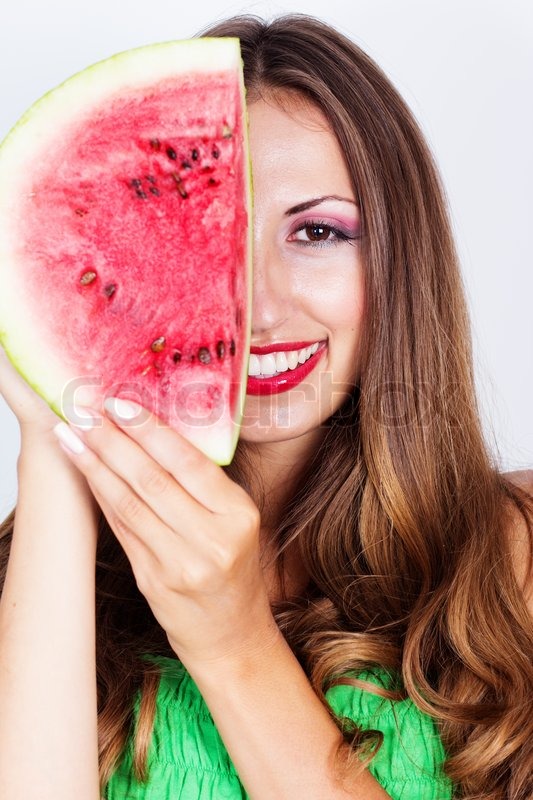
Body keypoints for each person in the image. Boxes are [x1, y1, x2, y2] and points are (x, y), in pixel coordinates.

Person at [0, 13, 532, 800]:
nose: (259, 307)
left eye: (317, 232)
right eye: (203, 239)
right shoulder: (27, 575)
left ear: (398, 257)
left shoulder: (513, 556)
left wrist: (231, 640)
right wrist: (53, 427)